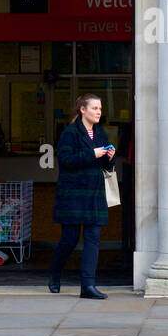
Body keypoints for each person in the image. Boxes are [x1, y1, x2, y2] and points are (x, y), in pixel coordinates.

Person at [48, 94, 116, 300]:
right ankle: (54, 274)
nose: (98, 112)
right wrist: (92, 154)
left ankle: (88, 286)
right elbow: (65, 160)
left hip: (94, 193)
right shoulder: (70, 132)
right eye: (94, 108)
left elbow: (104, 166)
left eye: (100, 108)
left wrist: (109, 159)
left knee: (93, 239)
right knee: (69, 240)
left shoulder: (100, 133)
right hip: (73, 194)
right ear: (82, 110)